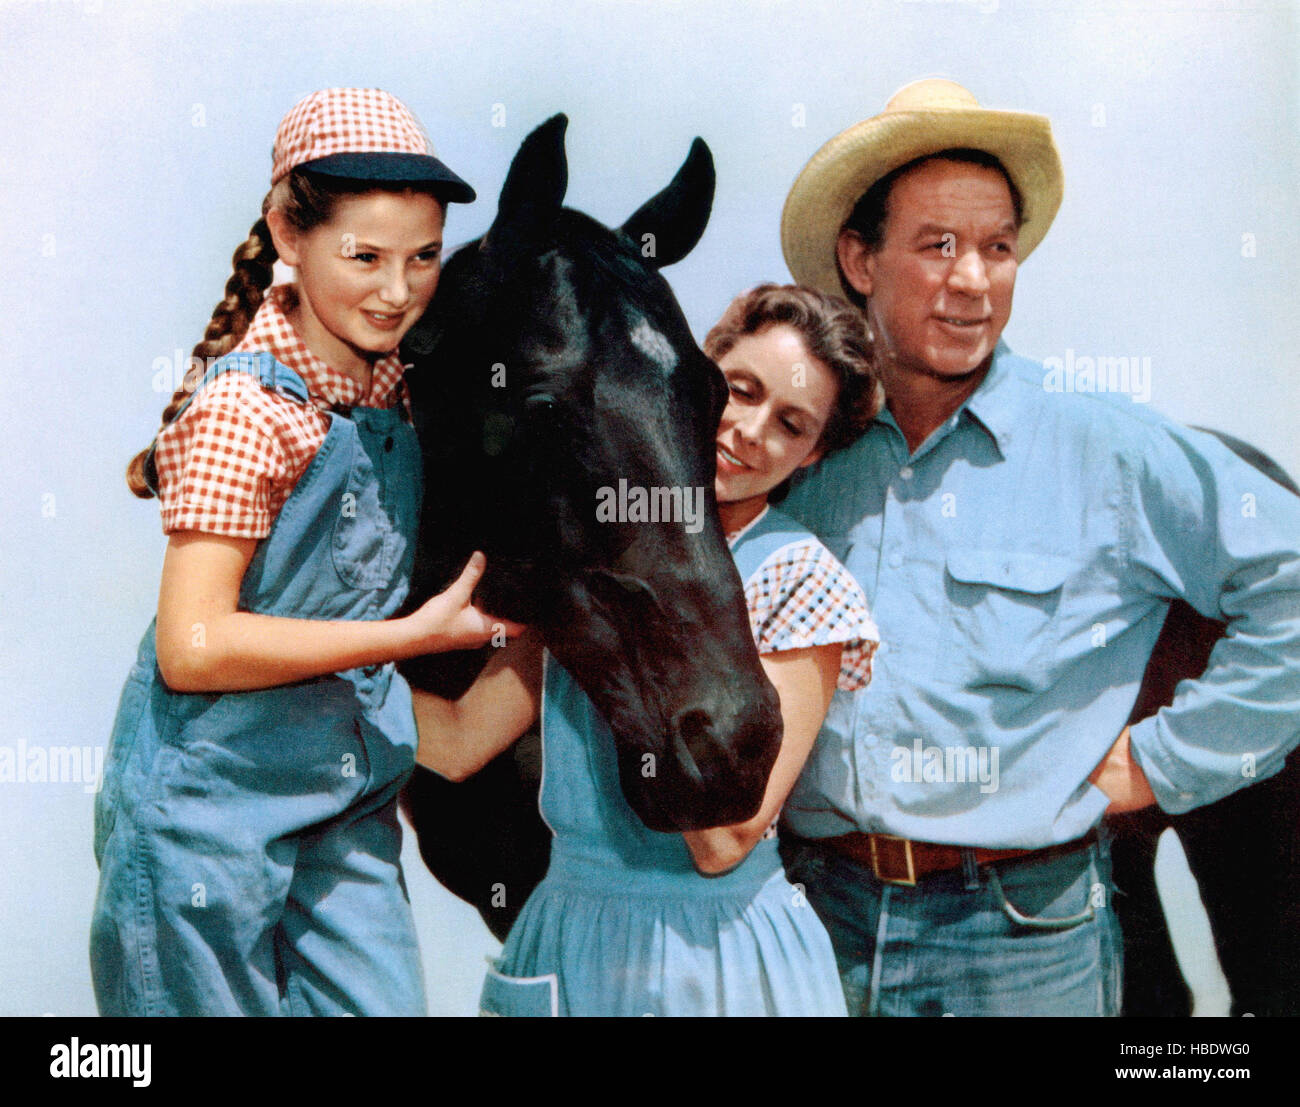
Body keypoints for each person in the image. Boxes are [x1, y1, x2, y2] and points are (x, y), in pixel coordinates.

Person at [775, 79, 1300, 1017]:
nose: (973, 281)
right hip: (816, 925)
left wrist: (1167, 760)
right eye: (938, 245)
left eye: (998, 247)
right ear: (859, 259)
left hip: (1023, 947)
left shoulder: (1103, 445)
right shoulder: (803, 460)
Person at [90, 88, 519, 1016]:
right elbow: (193, 646)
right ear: (289, 231)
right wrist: (408, 637)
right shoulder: (245, 410)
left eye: (424, 257)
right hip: (206, 821)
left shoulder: (401, 391)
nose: (398, 290)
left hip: (346, 806)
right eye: (365, 257)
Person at [413, 284, 882, 1016]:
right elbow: (455, 740)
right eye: (741, 389)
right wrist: (325, 656)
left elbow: (724, 840)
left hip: (714, 951)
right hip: (566, 933)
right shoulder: (586, 545)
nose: (750, 430)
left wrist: (629, 636)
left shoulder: (801, 578)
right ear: (695, 376)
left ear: (813, 453)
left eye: (791, 424)